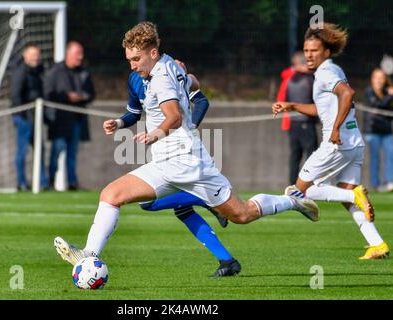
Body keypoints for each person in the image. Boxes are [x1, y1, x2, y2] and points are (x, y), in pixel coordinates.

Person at [54, 22, 320, 274]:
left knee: (242, 214)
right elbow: (194, 83)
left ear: (153, 52)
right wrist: (122, 122)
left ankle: (292, 201)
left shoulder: (160, 79)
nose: (133, 66)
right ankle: (89, 254)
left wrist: (155, 133)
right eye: (129, 60)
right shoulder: (170, 65)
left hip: (186, 162)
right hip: (169, 161)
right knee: (111, 195)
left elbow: (175, 117)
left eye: (137, 60)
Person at [273, 23, 389, 260]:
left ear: (326, 51)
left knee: (300, 190)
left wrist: (335, 129)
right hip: (353, 143)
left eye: (314, 50)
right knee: (348, 195)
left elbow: (348, 94)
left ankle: (354, 195)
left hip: (337, 143)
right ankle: (377, 244)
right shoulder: (331, 71)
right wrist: (293, 105)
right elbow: (323, 108)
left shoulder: (326, 72)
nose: (308, 55)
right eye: (306, 51)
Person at [110, 62, 240, 277]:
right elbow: (133, 113)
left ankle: (206, 201)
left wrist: (192, 126)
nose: (133, 63)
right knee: (181, 209)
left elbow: (200, 99)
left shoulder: (171, 75)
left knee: (147, 202)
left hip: (182, 150)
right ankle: (227, 261)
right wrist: (118, 122)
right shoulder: (137, 79)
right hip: (161, 149)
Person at [44, 41, 95, 190]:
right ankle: (50, 180)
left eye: (81, 54)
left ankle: (72, 182)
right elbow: (48, 93)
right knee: (57, 150)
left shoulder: (83, 72)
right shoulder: (55, 71)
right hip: (59, 121)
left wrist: (82, 97)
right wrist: (66, 97)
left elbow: (91, 94)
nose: (80, 57)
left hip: (77, 120)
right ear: (68, 54)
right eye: (77, 54)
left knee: (72, 154)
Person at [10, 45, 50, 191]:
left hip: (36, 116)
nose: (36, 58)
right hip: (25, 117)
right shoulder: (20, 71)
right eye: (33, 55)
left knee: (40, 149)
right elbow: (15, 95)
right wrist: (22, 116)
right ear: (25, 56)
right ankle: (21, 182)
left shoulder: (39, 72)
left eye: (37, 55)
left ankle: (43, 182)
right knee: (22, 150)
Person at [277, 51, 318, 185]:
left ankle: (292, 186)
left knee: (295, 156)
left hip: (292, 123)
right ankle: (308, 185)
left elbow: (282, 99)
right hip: (306, 122)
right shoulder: (310, 79)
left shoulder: (289, 79)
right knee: (312, 156)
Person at [364, 68, 393, 192]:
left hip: (387, 131)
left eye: (382, 78)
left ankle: (389, 182)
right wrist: (390, 96)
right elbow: (378, 105)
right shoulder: (369, 92)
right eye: (377, 78)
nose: (379, 80)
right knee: (375, 158)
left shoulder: (388, 92)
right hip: (372, 131)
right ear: (373, 79)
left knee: (390, 155)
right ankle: (376, 185)